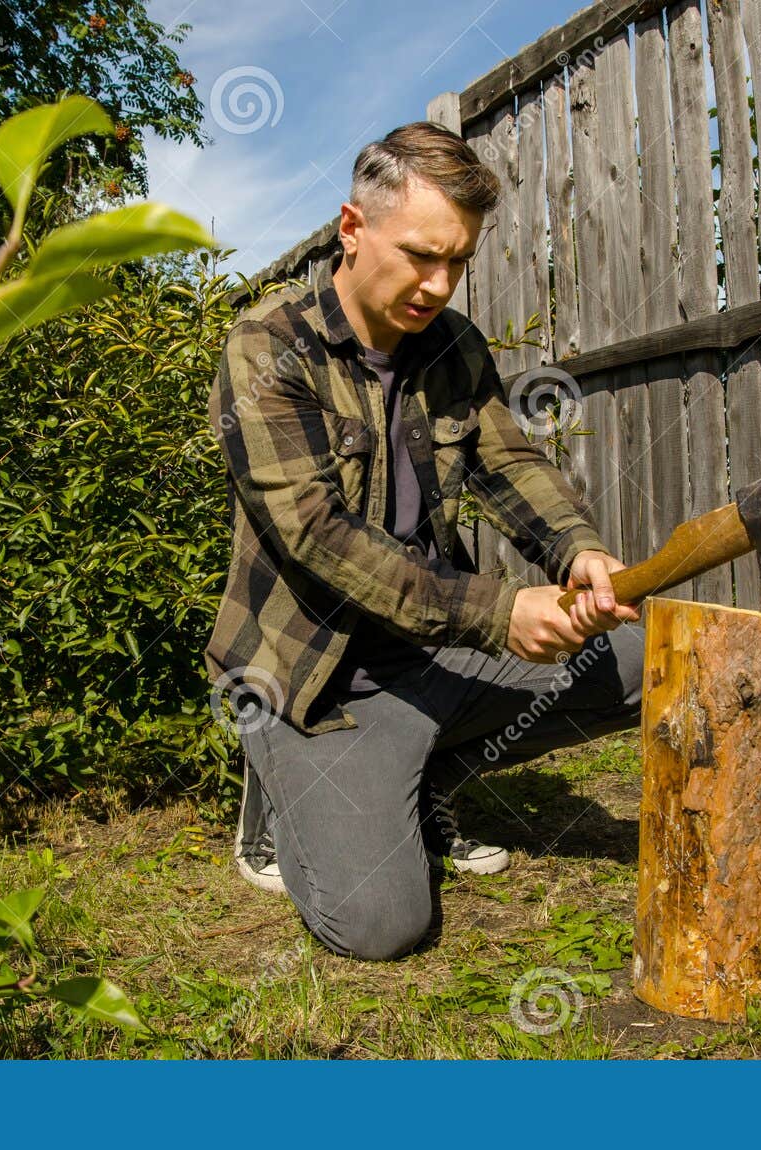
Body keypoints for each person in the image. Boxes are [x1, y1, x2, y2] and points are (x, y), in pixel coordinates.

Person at [204, 121, 645, 961]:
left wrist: (577, 552)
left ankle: (425, 779)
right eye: (419, 255)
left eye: (459, 262)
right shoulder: (267, 348)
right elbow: (316, 534)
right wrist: (498, 610)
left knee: (641, 662)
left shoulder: (452, 346)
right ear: (351, 227)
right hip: (316, 682)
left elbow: (509, 463)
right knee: (382, 928)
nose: (439, 284)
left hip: (431, 653)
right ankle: (276, 803)